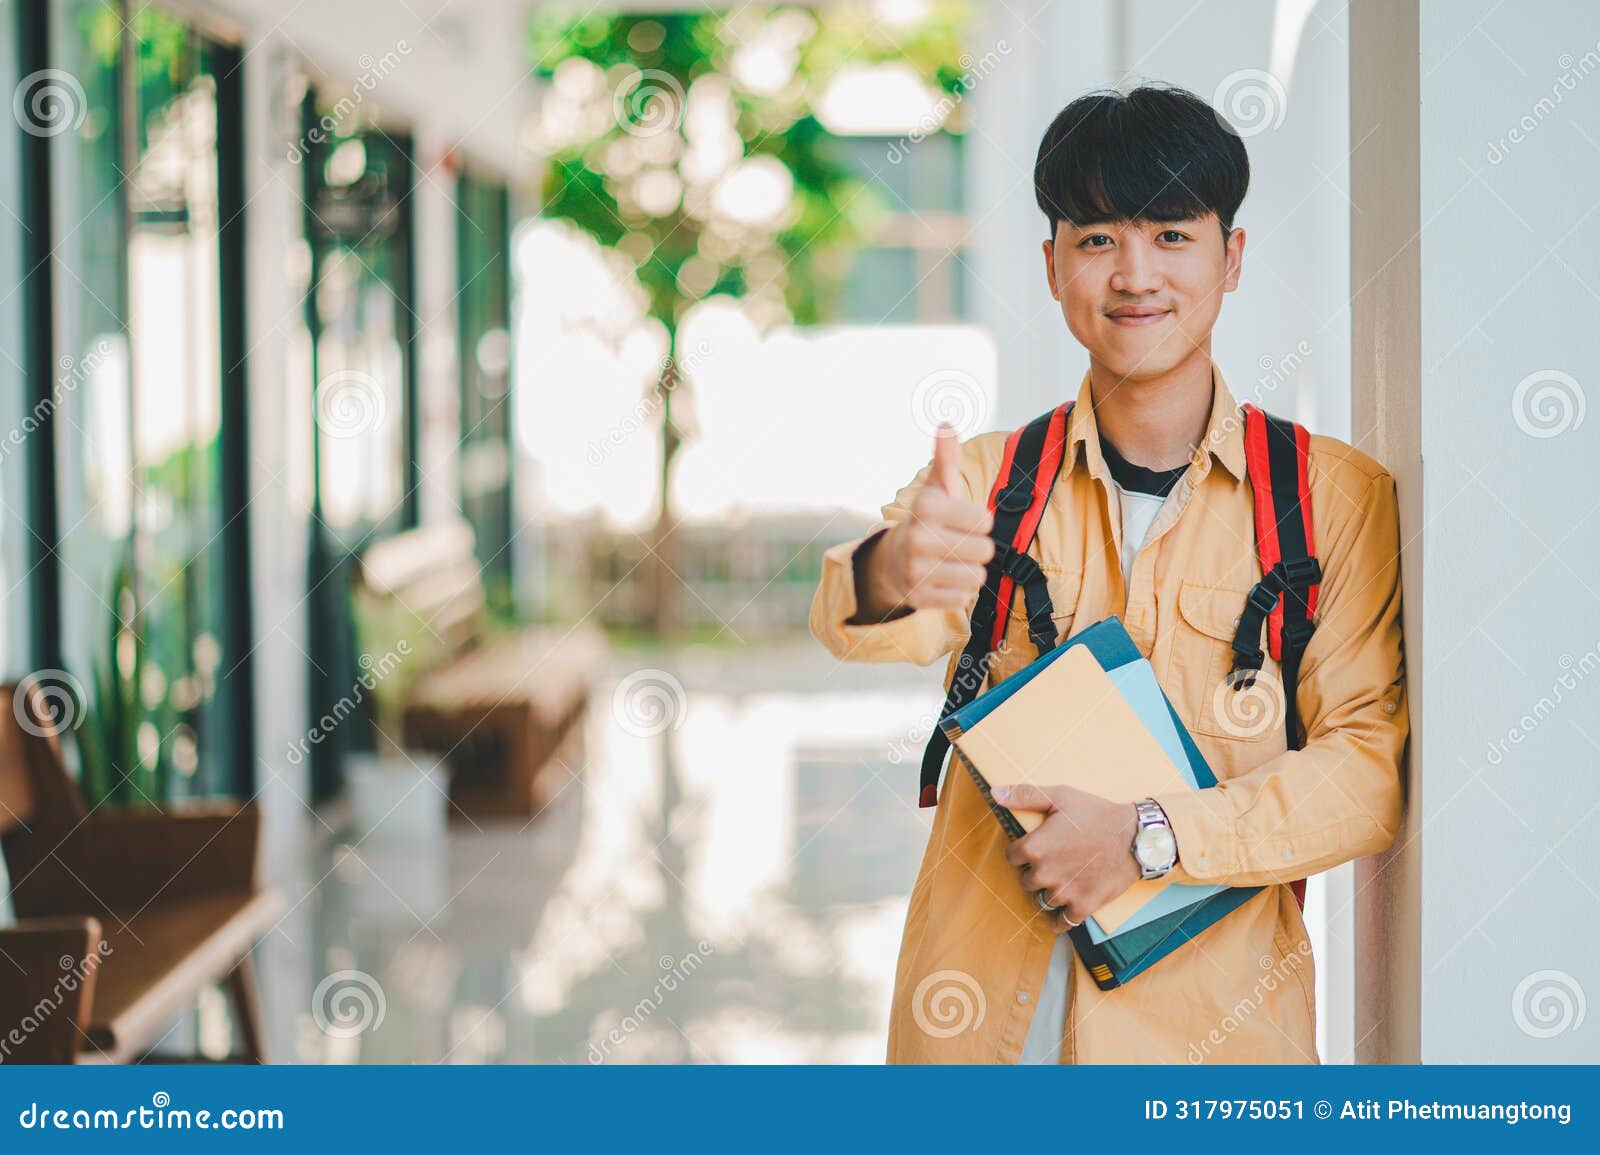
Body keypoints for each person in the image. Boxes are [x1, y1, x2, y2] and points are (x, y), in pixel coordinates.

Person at [808, 83, 1406, 1064]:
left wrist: (1147, 834)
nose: (1134, 274)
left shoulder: (1330, 500)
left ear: (1231, 257)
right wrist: (893, 566)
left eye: (1171, 235)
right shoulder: (987, 482)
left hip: (1214, 1056)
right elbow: (864, 618)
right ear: (1052, 265)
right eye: (1096, 239)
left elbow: (1366, 775)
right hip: (976, 1043)